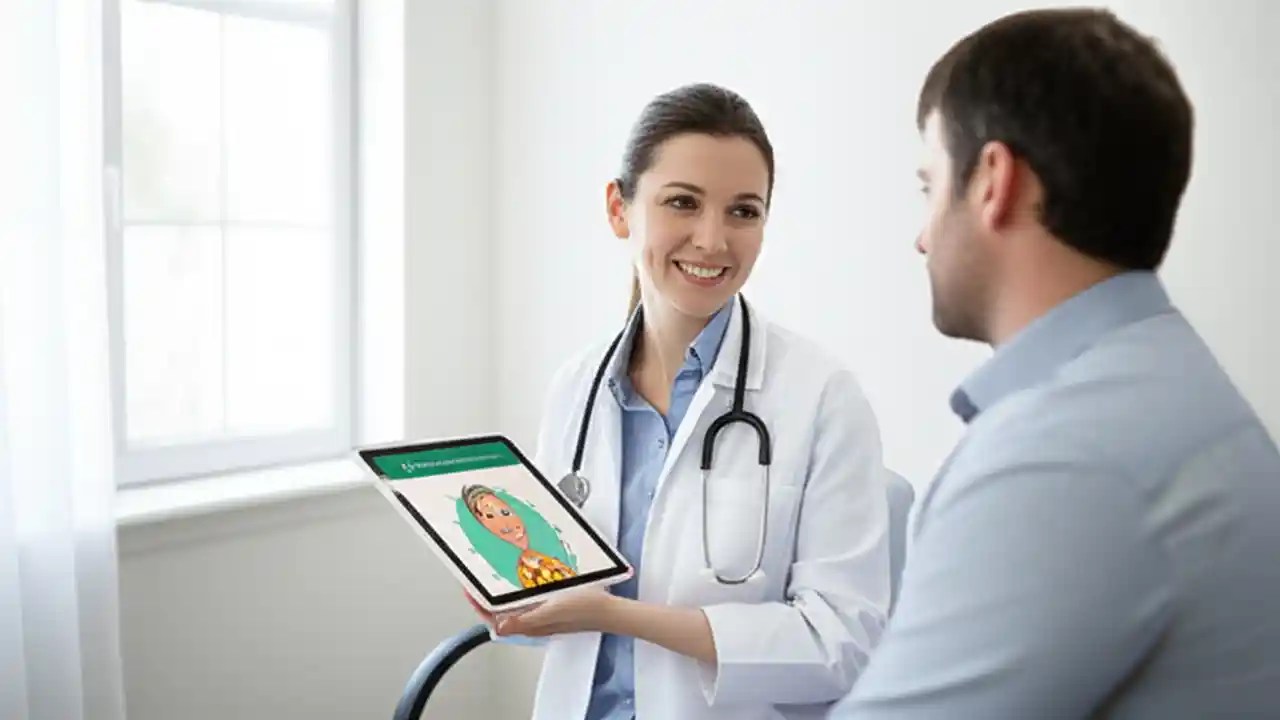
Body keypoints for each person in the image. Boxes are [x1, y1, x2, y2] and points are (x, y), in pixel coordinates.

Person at [829, 8, 1280, 718]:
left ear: (993, 181)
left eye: (929, 185)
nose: (921, 237)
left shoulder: (1071, 451)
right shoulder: (1163, 382)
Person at [468, 83, 892, 719]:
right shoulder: (576, 388)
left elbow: (843, 643)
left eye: (744, 211)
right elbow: (564, 630)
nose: (713, 240)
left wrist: (619, 614)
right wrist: (519, 599)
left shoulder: (822, 395)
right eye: (682, 203)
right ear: (620, 209)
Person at [461, 484, 578, 588]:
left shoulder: (555, 548)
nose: (506, 524)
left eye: (506, 513)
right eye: (490, 517)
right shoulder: (524, 571)